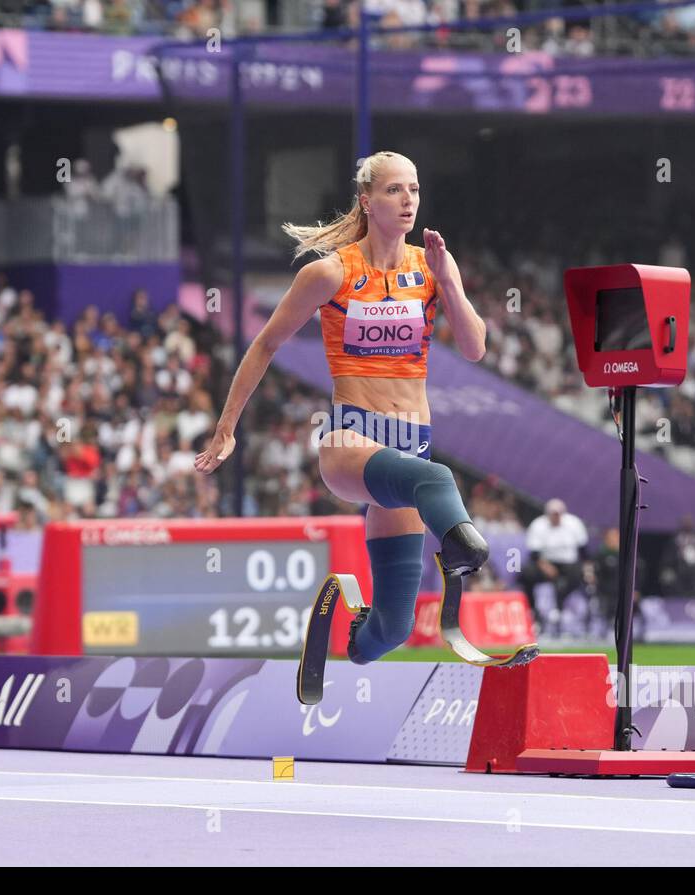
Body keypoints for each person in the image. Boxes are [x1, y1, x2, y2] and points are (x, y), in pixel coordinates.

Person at [196, 150, 490, 663]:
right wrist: (226, 428)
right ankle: (464, 551)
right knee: (438, 481)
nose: (408, 201)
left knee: (394, 627)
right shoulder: (330, 273)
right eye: (395, 190)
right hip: (353, 437)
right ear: (366, 200)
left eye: (415, 190)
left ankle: (356, 639)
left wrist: (449, 282)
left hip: (410, 441)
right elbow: (264, 345)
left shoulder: (431, 266)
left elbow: (474, 347)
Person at [518, 498, 588, 635]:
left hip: (569, 564)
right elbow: (534, 554)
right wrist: (545, 566)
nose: (556, 517)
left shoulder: (574, 524)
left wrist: (587, 568)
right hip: (545, 562)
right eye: (553, 514)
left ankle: (559, 607)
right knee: (526, 574)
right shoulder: (538, 525)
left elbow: (583, 551)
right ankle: (533, 610)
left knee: (578, 575)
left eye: (558, 513)